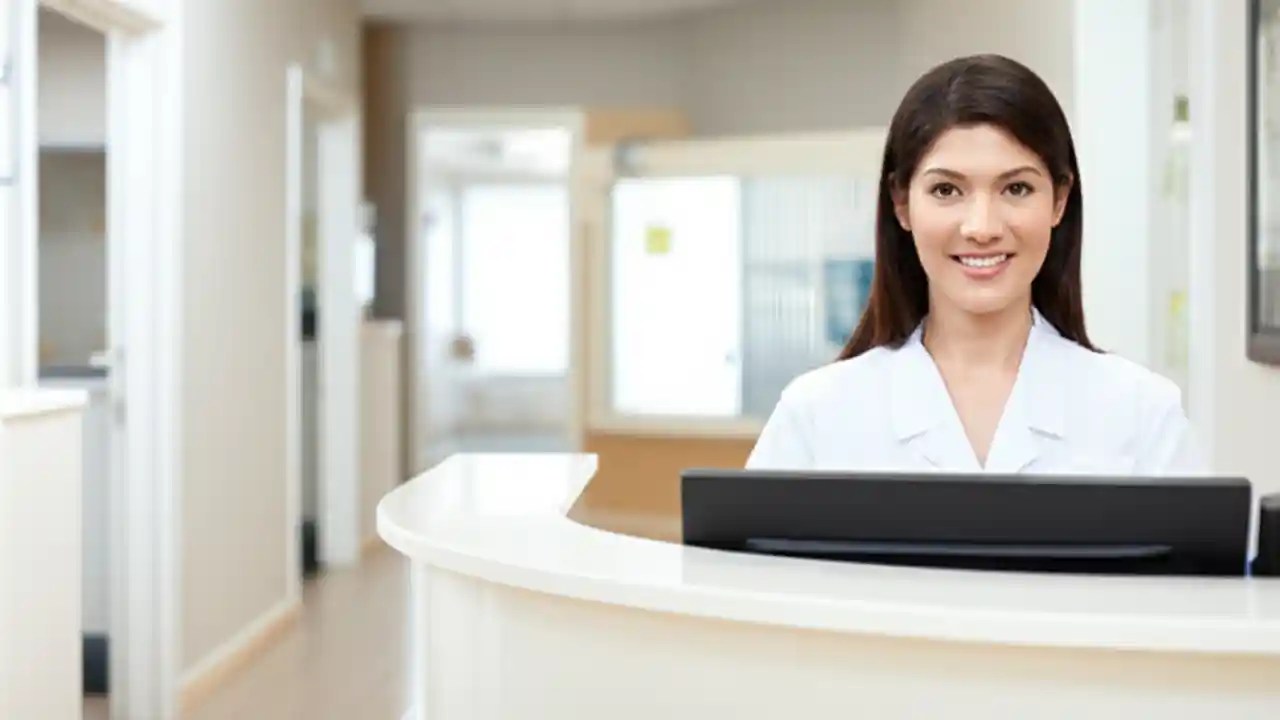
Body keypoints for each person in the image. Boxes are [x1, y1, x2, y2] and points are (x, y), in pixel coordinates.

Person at [746, 54, 1200, 474]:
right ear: (901, 204)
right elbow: (743, 563)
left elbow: (1196, 561)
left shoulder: (1142, 414)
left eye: (1016, 189)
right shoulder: (816, 415)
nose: (981, 227)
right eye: (946, 191)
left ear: (1059, 200)